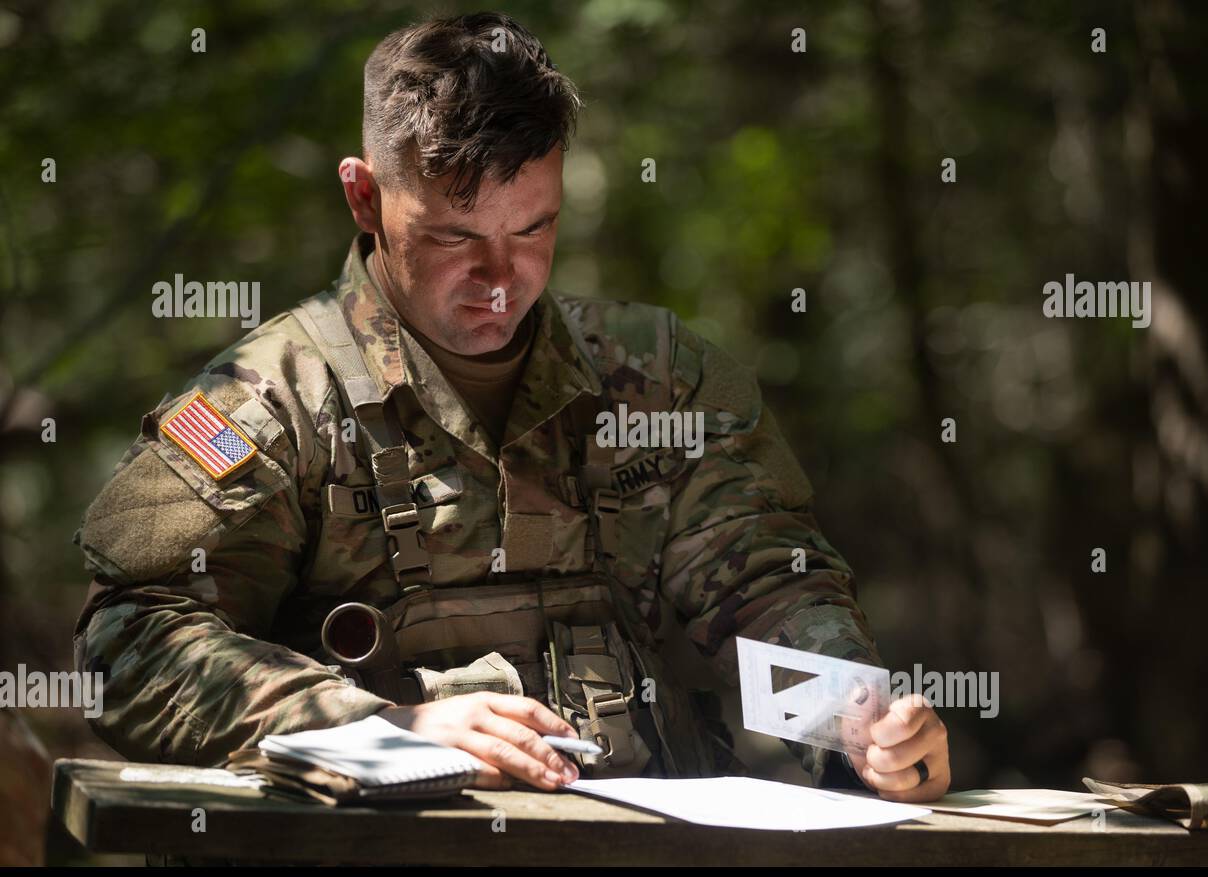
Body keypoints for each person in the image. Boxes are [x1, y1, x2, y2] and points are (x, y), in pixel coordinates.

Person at [72, 11, 949, 802]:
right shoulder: (274, 401)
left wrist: (858, 727)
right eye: (454, 236)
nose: (501, 279)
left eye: (533, 229)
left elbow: (763, 591)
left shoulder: (659, 379)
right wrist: (372, 728)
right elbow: (128, 643)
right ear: (364, 197)